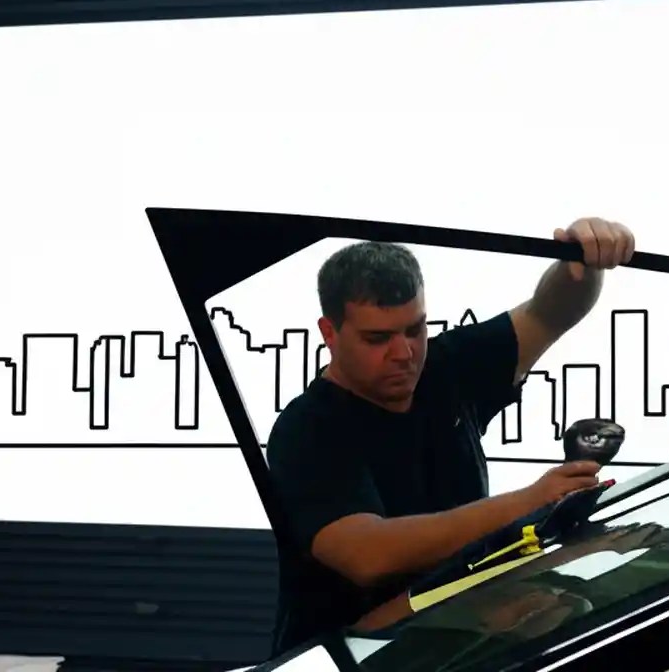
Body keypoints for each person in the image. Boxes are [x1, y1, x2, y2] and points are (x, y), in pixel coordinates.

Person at [264, 216, 636, 655]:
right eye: (377, 338)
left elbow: (549, 311)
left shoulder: (447, 366)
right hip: (359, 659)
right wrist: (529, 502)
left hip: (468, 643)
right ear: (330, 333)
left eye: (415, 329)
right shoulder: (305, 430)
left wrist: (582, 264)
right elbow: (368, 555)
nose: (403, 353)